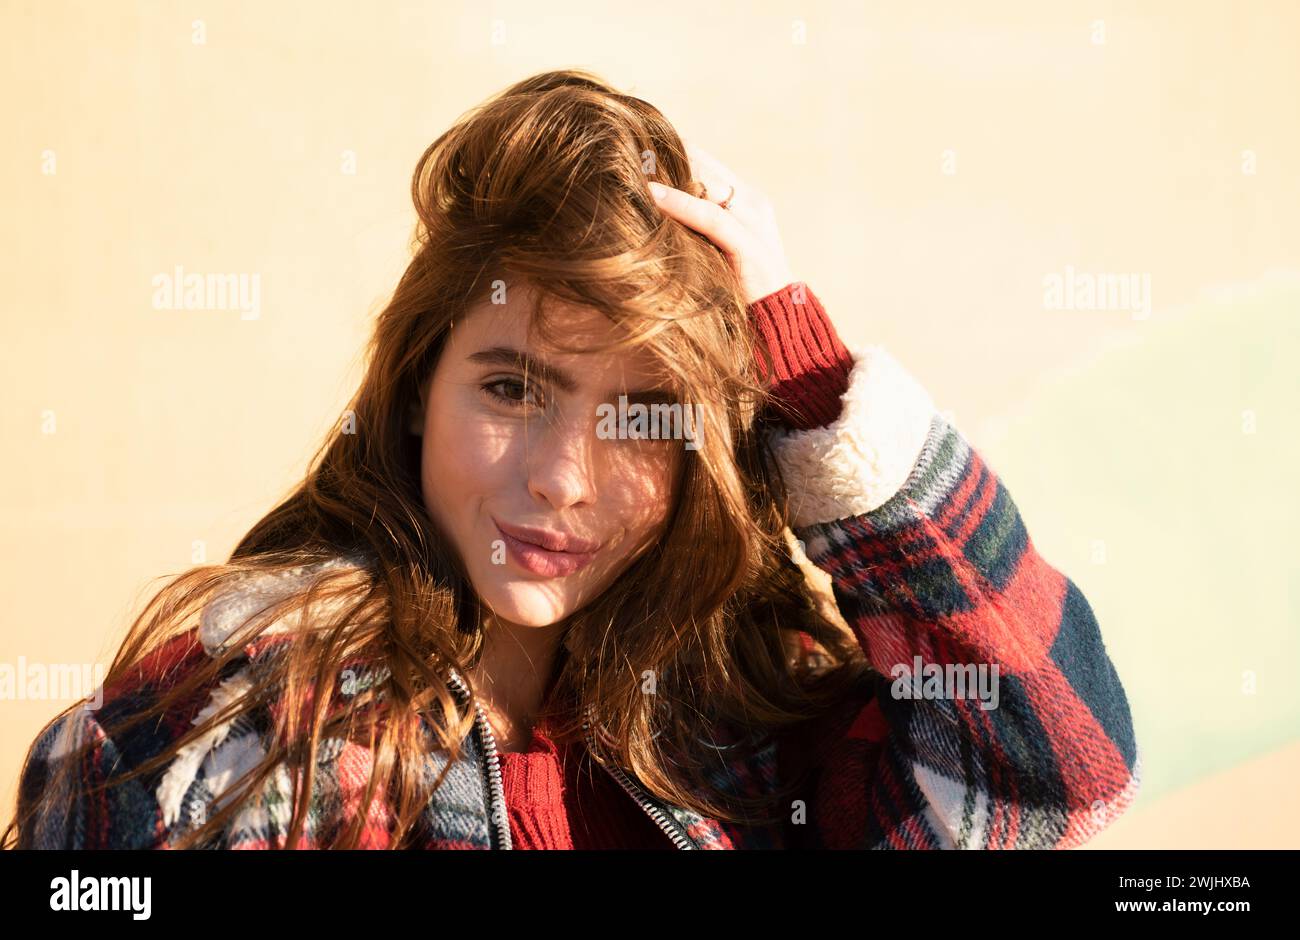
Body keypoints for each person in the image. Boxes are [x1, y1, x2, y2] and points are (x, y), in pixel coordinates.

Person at [5, 69, 1139, 850]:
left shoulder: (734, 723)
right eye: (510, 389)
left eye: (644, 415)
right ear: (414, 393)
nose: (561, 476)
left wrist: (806, 376)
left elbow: (1050, 772)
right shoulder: (265, 719)